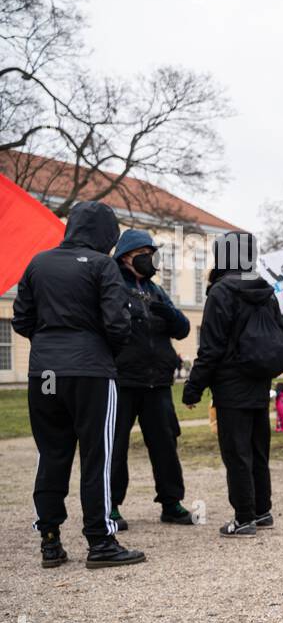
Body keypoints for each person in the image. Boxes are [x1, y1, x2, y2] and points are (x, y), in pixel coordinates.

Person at [12, 201, 145, 568]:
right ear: (106, 233)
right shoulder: (103, 265)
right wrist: (103, 350)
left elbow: (21, 319)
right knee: (96, 455)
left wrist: (50, 339)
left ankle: (50, 540)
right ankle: (100, 541)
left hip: (46, 373)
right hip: (90, 370)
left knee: (51, 453)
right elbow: (118, 324)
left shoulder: (38, 263)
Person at [182, 233, 283, 537]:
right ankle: (261, 509)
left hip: (230, 384)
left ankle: (243, 517)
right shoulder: (266, 291)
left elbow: (211, 348)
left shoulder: (220, 292)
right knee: (258, 449)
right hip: (259, 380)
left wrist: (194, 387)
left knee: (236, 452)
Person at [108, 229, 194, 527]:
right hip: (123, 380)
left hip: (158, 380)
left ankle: (171, 502)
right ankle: (111, 506)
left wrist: (169, 315)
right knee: (115, 446)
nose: (150, 259)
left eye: (151, 253)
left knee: (165, 444)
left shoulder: (156, 290)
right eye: (144, 253)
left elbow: (182, 328)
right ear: (126, 256)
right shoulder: (112, 284)